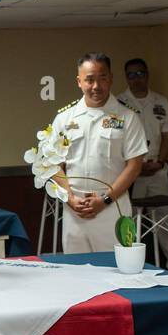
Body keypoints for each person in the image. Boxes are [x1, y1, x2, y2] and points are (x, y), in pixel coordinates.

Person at [51, 53, 147, 253]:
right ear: (79, 82)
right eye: (89, 79)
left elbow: (134, 166)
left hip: (113, 209)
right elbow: (53, 165)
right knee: (76, 274)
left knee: (116, 273)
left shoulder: (128, 117)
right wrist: (69, 198)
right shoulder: (64, 119)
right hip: (74, 210)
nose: (96, 86)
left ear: (111, 78)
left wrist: (104, 201)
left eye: (102, 78)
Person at [120, 57, 168, 275]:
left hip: (157, 169)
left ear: (147, 75)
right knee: (130, 223)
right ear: (125, 78)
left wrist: (160, 162)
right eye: (131, 75)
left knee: (164, 221)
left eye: (140, 74)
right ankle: (129, 269)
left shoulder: (161, 101)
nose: (136, 79)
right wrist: (136, 165)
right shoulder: (118, 103)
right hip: (130, 172)